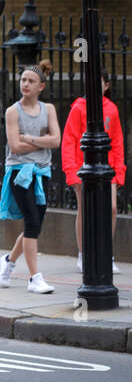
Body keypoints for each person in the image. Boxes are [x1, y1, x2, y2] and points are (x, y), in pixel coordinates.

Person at [0, 60, 61, 293]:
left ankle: (8, 262)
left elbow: (56, 141)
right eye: (23, 79)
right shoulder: (13, 111)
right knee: (32, 222)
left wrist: (30, 139)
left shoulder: (49, 110)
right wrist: (41, 142)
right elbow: (15, 146)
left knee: (35, 226)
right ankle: (35, 278)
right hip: (19, 173)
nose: (25, 84)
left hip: (41, 172)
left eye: (30, 81)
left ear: (41, 86)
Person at [62, 71, 124, 273]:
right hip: (83, 169)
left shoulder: (112, 109)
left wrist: (119, 172)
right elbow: (69, 141)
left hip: (108, 169)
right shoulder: (78, 108)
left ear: (106, 86)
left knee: (112, 208)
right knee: (85, 210)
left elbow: (118, 142)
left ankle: (106, 253)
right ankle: (84, 254)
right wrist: (71, 172)